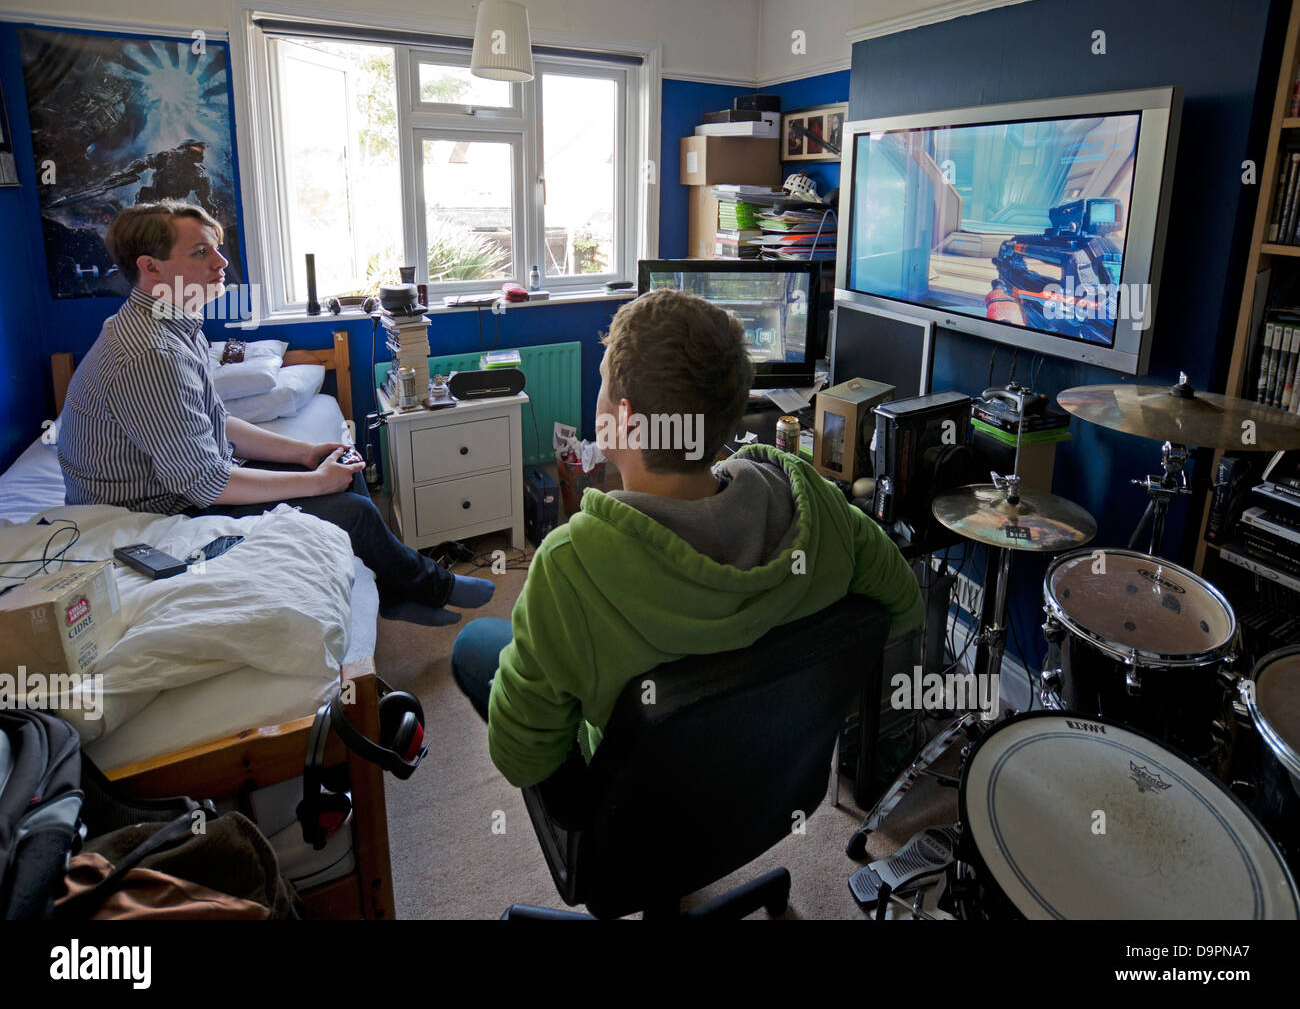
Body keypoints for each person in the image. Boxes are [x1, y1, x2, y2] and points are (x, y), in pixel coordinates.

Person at [450, 289, 923, 788]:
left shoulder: (569, 570)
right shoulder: (821, 508)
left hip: (638, 807)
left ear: (626, 419)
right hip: (766, 787)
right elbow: (903, 607)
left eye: (603, 382)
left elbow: (522, 760)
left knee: (474, 645)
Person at [57, 200, 490, 624]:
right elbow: (206, 484)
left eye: (216, 248)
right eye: (201, 252)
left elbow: (216, 423)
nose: (222, 262)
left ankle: (393, 593)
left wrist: (305, 456)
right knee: (351, 511)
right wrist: (315, 484)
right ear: (151, 267)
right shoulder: (151, 352)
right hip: (151, 516)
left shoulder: (173, 326)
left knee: (338, 459)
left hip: (183, 485)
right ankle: (434, 584)